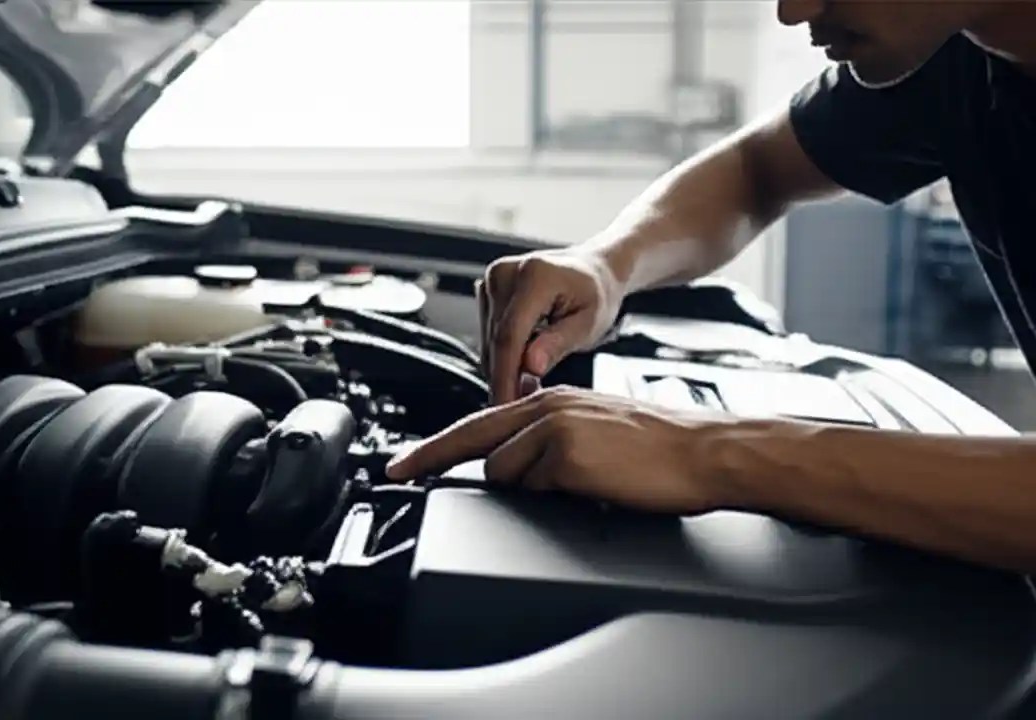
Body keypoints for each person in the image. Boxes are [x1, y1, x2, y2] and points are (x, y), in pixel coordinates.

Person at [386, 0, 1036, 575]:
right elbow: (756, 170)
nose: (792, 10)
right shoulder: (960, 59)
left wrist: (712, 451)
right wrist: (607, 266)